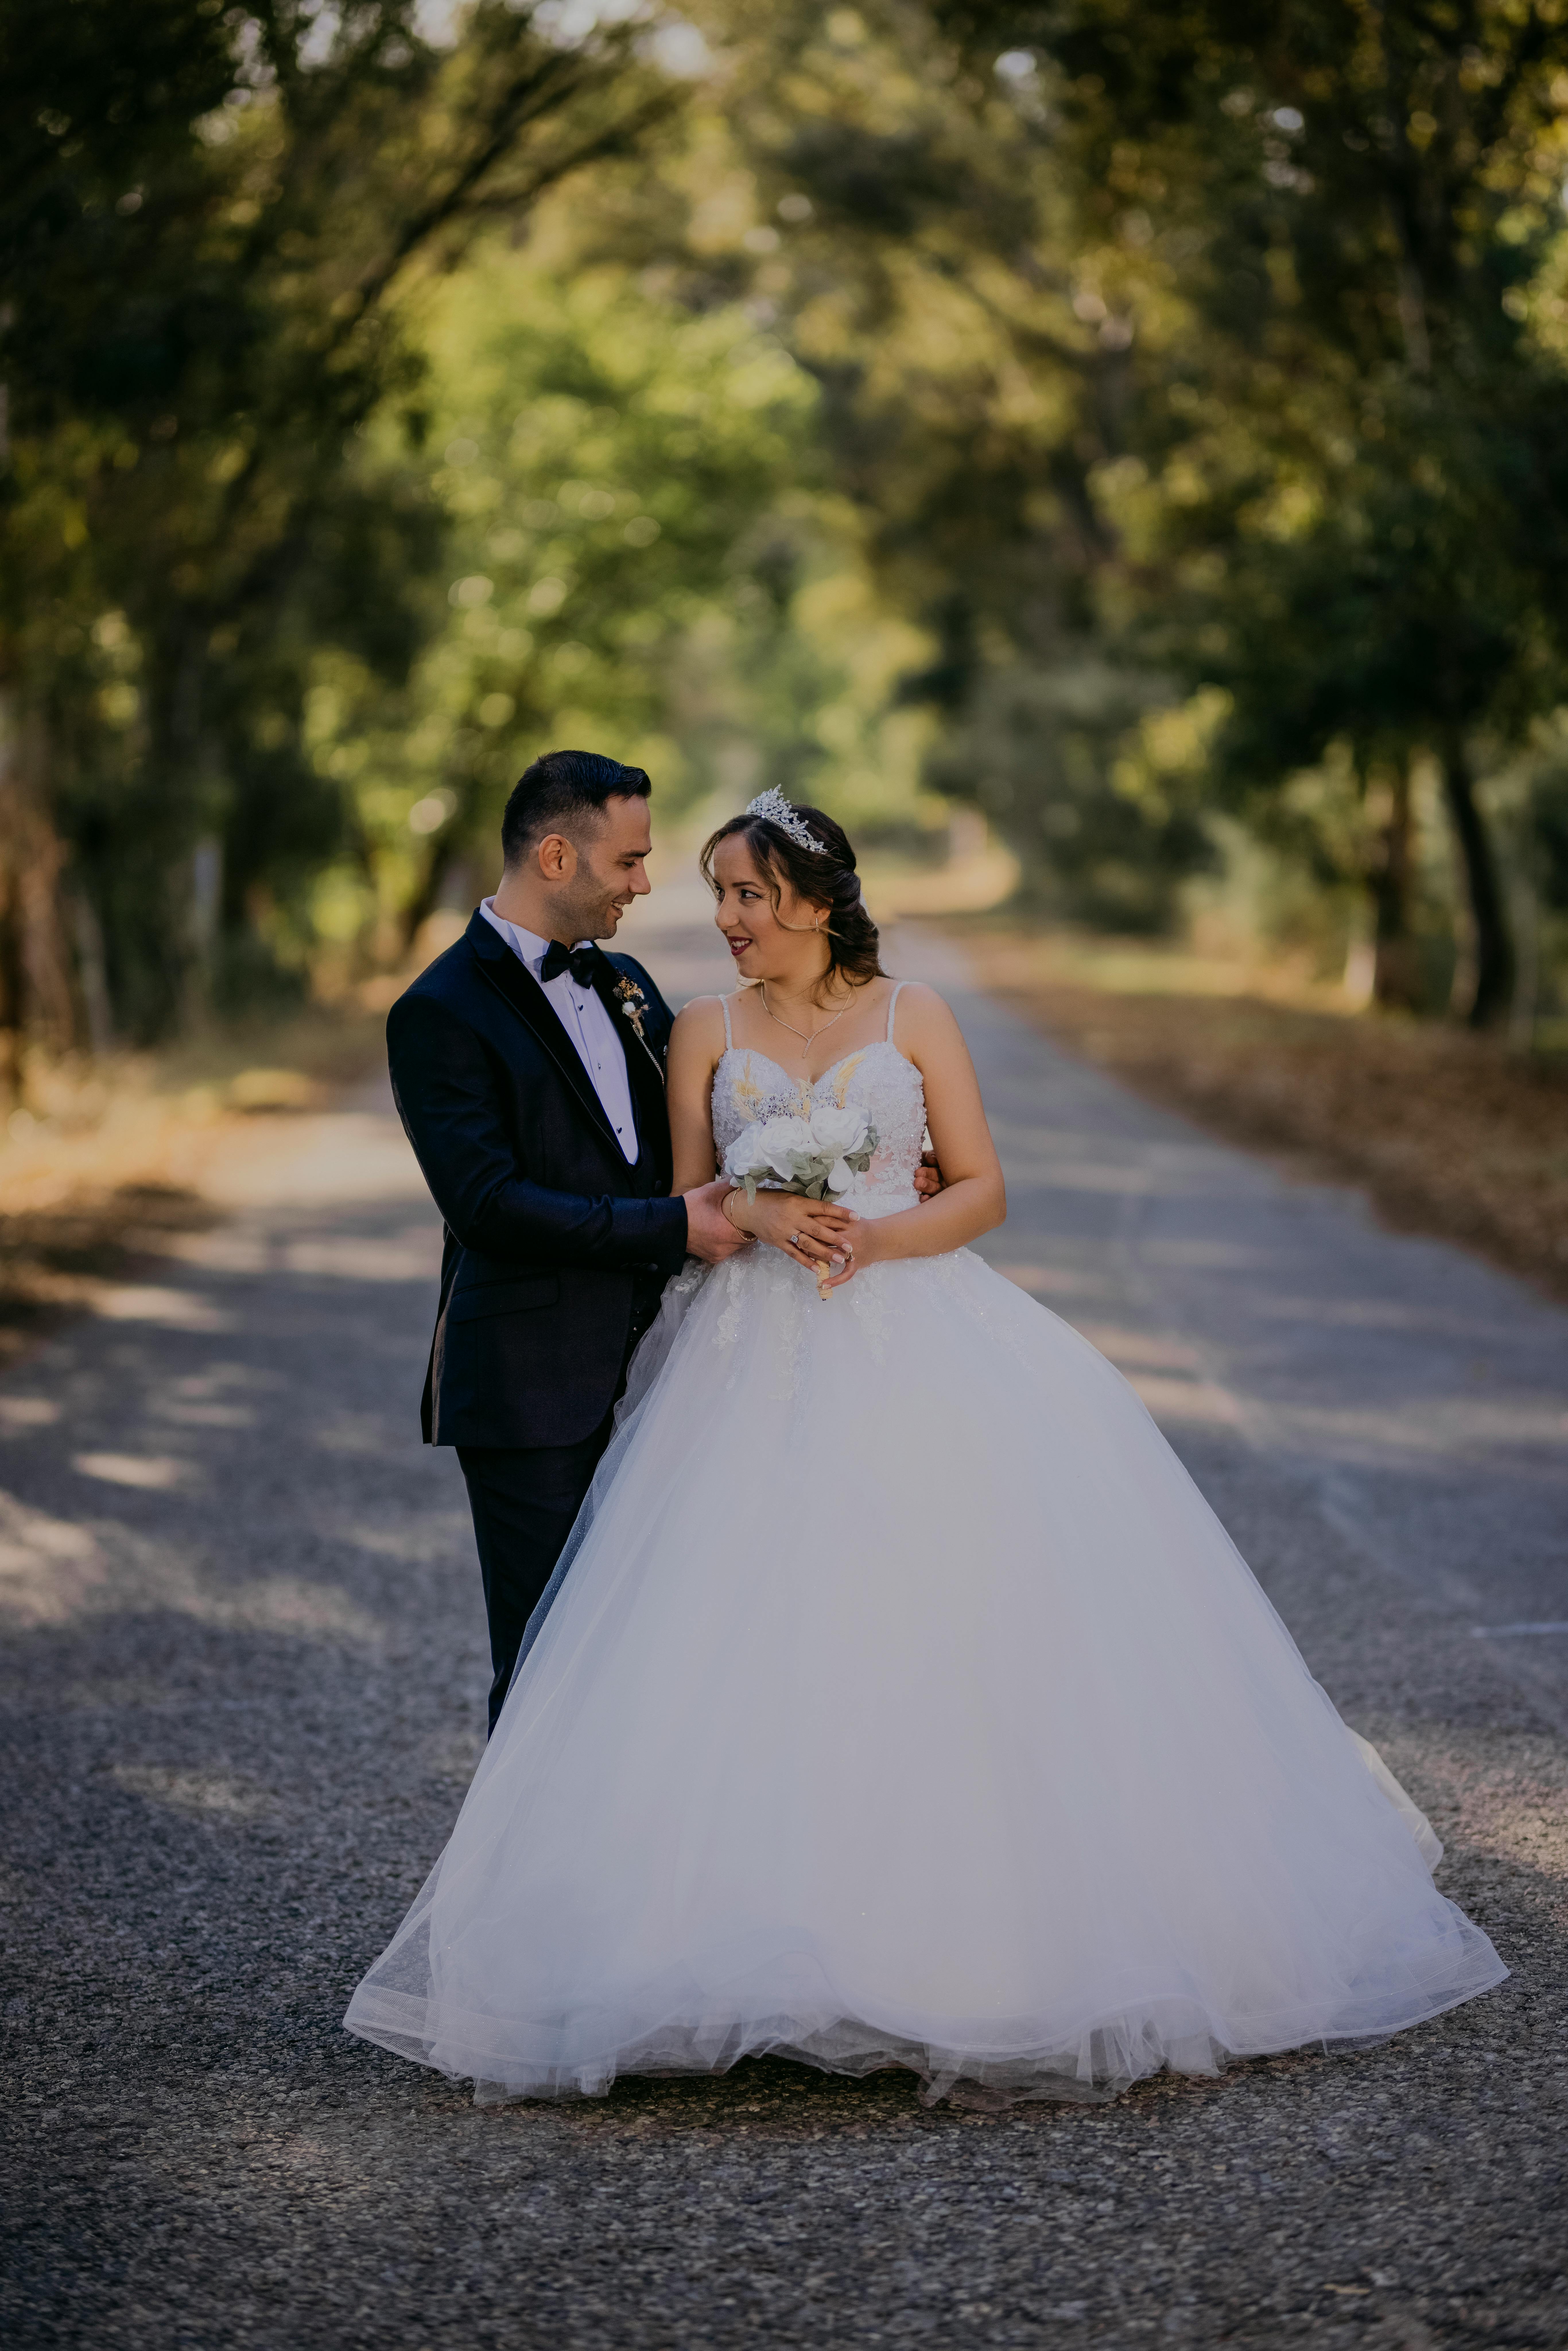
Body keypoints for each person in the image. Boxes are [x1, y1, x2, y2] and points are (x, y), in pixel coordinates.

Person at [348, 789, 1506, 2108]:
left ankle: (969, 1946)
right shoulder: (696, 1030)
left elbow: (982, 1186)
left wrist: (866, 1235)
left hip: (916, 1328)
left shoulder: (918, 1017)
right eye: (710, 890)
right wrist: (753, 1217)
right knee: (723, 1644)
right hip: (746, 1360)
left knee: (952, 1628)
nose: (719, 916)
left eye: (744, 894)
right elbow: (691, 1203)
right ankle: (705, 1951)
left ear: (817, 899)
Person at [383, 749, 750, 1735]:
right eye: (628, 863)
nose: (642, 884)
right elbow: (489, 1206)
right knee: (549, 1667)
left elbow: (713, 1125)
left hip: (665, 1371)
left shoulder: (624, 980)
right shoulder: (437, 1012)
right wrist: (675, 1226)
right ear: (555, 856)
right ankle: (514, 1892)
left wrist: (866, 1171)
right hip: (531, 1386)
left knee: (656, 1649)